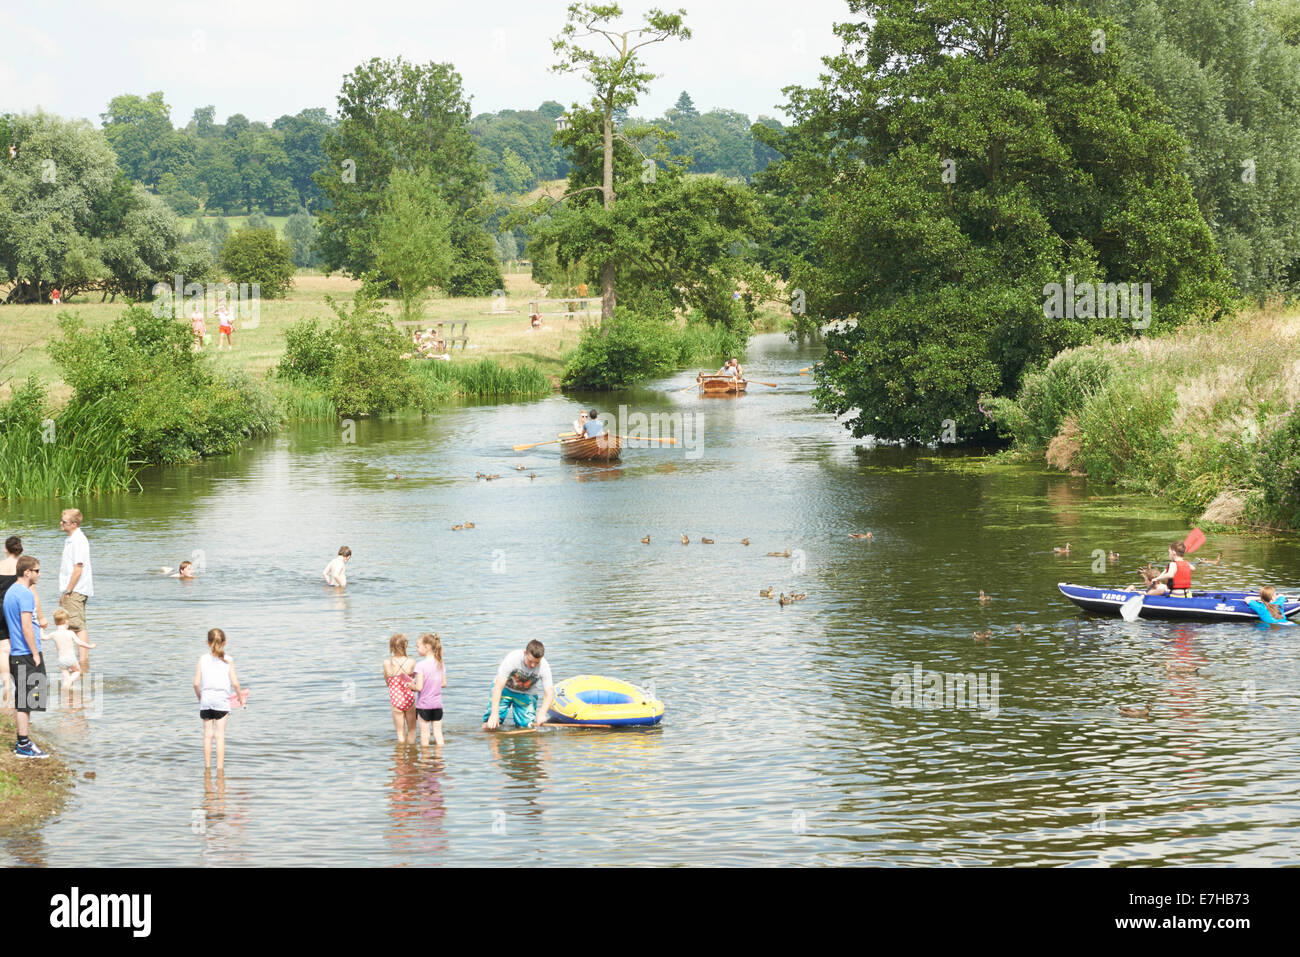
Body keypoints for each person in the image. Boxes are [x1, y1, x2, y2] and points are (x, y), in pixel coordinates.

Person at [3, 555, 49, 758]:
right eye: (37, 570)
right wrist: (35, 653)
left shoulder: (11, 591)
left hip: (17, 653)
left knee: (26, 698)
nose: (40, 574)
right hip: (25, 653)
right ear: (27, 572)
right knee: (27, 699)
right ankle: (23, 744)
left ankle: (24, 740)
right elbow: (26, 626)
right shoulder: (25, 594)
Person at [193, 628, 242, 771]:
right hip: (222, 701)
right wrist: (241, 699)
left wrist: (200, 698)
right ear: (225, 643)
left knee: (207, 736)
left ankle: (207, 768)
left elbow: (196, 683)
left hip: (206, 701)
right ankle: (220, 770)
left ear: (207, 643)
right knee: (220, 736)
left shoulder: (202, 659)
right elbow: (235, 684)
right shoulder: (229, 660)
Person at [482, 639, 555, 730]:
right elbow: (498, 687)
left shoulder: (544, 667)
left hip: (526, 693)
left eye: (536, 662)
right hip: (505, 689)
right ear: (525, 653)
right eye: (530, 661)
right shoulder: (513, 658)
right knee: (491, 723)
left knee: (526, 727)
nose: (533, 665)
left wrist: (542, 713)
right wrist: (494, 713)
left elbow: (549, 694)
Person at [58, 508, 93, 674]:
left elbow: (78, 568)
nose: (61, 523)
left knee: (77, 626)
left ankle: (83, 662)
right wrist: (65, 591)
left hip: (76, 589)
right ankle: (80, 662)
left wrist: (69, 590)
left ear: (74, 524)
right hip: (72, 589)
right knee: (73, 624)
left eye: (63, 521)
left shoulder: (78, 540)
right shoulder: (71, 539)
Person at [410, 632, 447, 746]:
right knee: (438, 734)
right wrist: (432, 684)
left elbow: (419, 687)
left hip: (424, 705)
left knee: (425, 736)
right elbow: (444, 683)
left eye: (418, 646)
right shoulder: (440, 663)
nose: (417, 649)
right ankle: (440, 761)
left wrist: (411, 686)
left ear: (426, 647)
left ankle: (425, 762)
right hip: (437, 705)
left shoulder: (420, 665)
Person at [46, 607, 94, 690]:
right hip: (71, 658)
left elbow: (43, 637)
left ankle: (65, 689)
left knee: (66, 676)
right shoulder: (70, 633)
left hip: (61, 660)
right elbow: (79, 642)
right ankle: (70, 682)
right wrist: (90, 646)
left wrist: (40, 628)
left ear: (55, 622)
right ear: (67, 622)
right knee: (77, 671)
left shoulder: (53, 634)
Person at [383, 634, 417, 743]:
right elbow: (413, 680)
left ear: (391, 647)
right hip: (409, 700)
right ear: (405, 646)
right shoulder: (411, 662)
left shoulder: (387, 663)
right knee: (412, 731)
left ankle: (401, 756)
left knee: (400, 732)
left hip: (396, 700)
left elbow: (388, 682)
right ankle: (412, 756)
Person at [0, 536, 21, 706]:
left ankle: (6, 684)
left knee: (3, 650)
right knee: (18, 647)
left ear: (6, 549)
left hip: (0, 609)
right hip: (15, 609)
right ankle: (20, 683)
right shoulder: (22, 567)